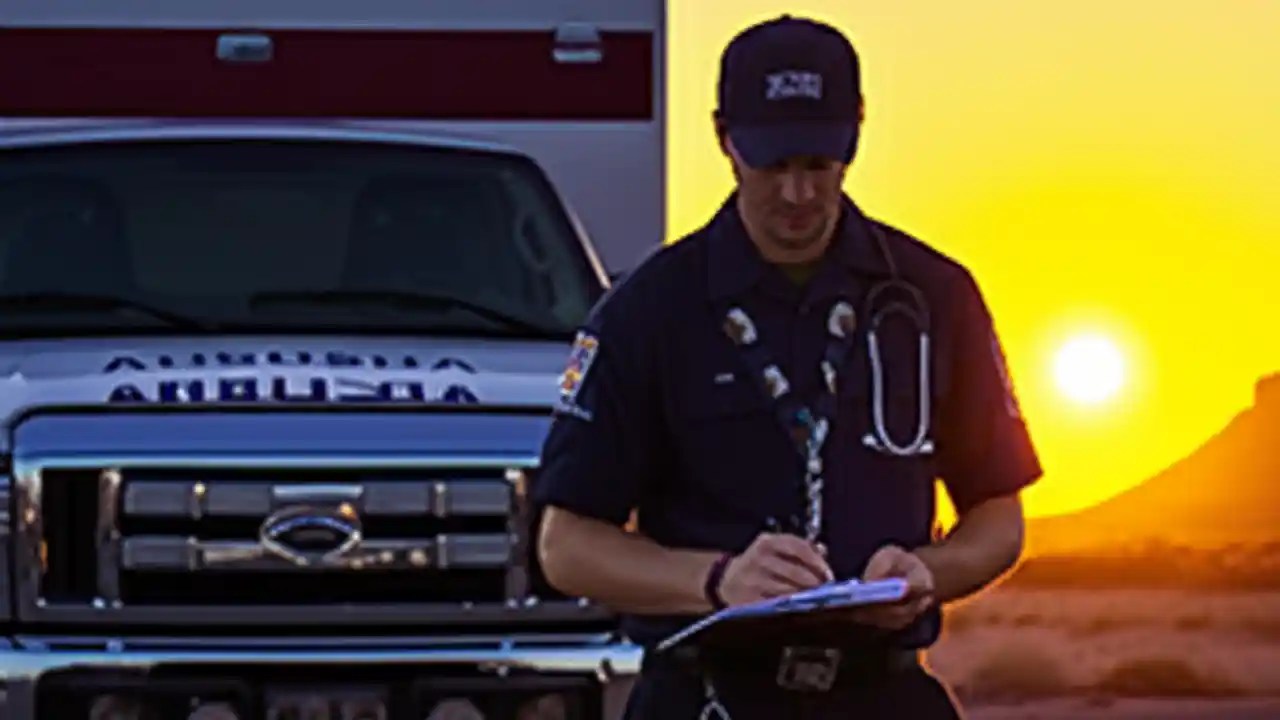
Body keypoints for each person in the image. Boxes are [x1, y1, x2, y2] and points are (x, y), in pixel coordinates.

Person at [533, 14, 1043, 720]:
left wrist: (927, 574)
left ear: (857, 134)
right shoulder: (647, 311)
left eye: (818, 164)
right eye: (772, 164)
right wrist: (716, 581)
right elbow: (566, 546)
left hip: (885, 696)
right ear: (723, 139)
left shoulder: (936, 295)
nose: (797, 195)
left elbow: (998, 517)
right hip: (705, 695)